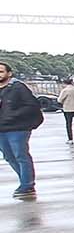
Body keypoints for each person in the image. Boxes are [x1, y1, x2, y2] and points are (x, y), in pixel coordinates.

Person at [0, 61, 42, 198]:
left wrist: (11, 116)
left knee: (20, 155)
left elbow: (32, 105)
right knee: (9, 156)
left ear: (9, 73)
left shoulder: (18, 87)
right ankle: (25, 182)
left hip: (18, 128)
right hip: (1, 129)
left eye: (1, 71)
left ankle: (27, 185)